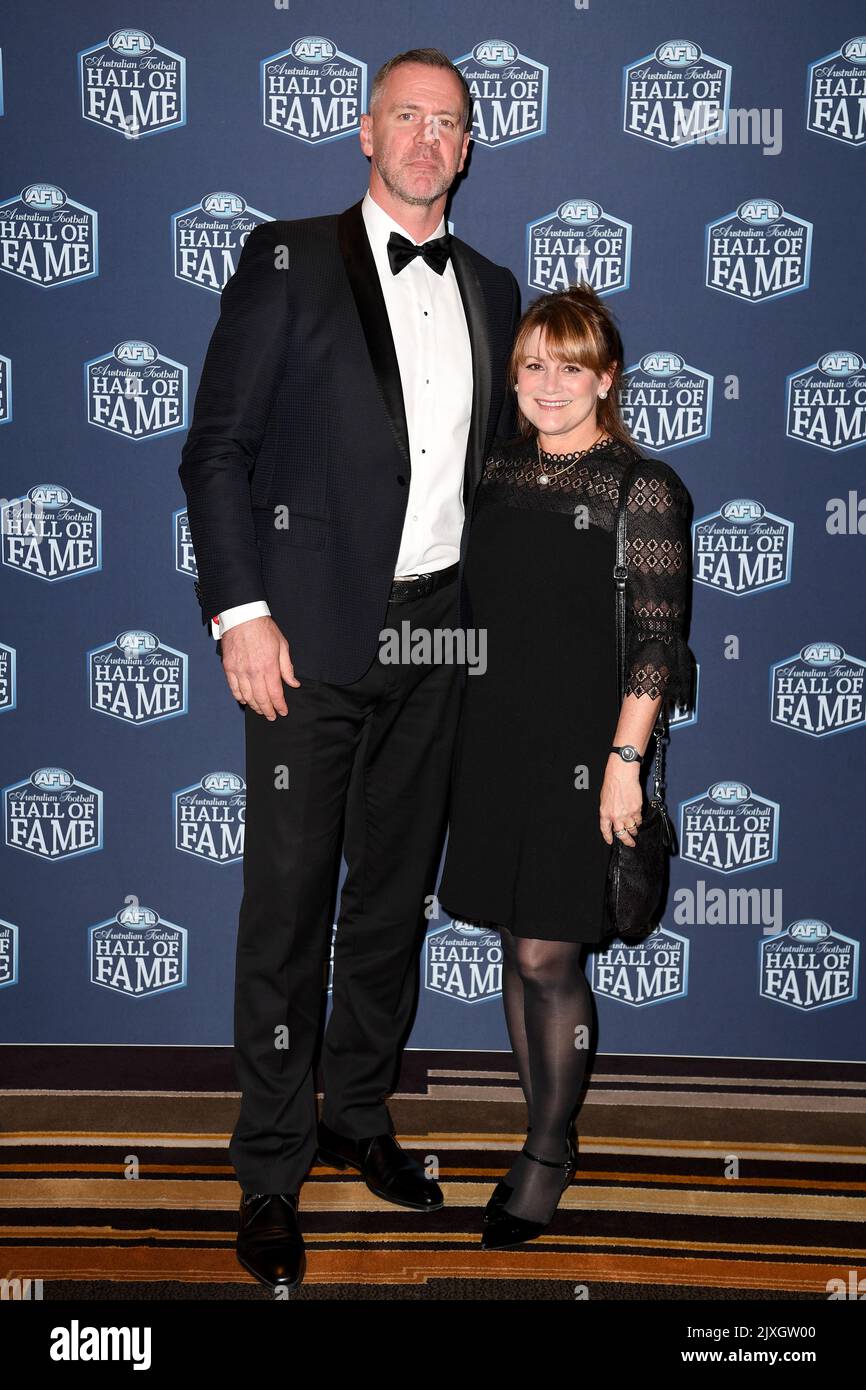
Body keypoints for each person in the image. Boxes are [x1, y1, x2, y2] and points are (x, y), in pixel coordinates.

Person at [178, 48, 519, 1291]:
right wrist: (239, 613)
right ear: (363, 137)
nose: (428, 140)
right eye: (406, 119)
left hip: (438, 637)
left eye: (449, 123)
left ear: (469, 147)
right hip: (308, 638)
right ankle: (269, 1169)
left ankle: (355, 1112)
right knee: (286, 909)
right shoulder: (284, 258)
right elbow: (215, 448)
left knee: (389, 901)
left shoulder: (490, 284)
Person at [437, 283, 697, 1250]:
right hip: (492, 740)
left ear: (608, 378)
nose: (550, 384)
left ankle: (549, 1148)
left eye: (571, 365)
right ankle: (539, 1126)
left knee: (551, 952)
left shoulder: (644, 488)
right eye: (533, 365)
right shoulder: (496, 471)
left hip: (588, 755)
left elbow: (657, 646)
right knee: (516, 944)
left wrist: (626, 759)